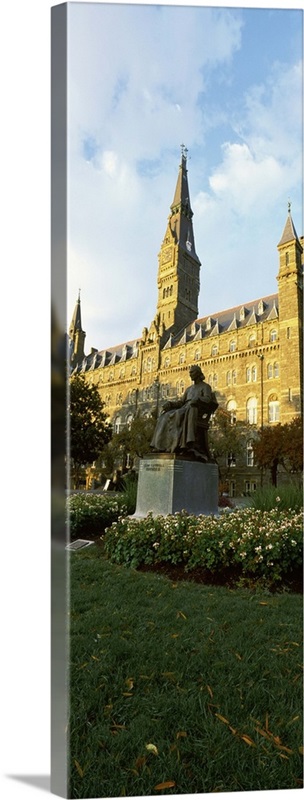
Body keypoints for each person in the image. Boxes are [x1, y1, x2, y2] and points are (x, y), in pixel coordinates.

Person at [150, 365, 218, 461]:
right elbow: (181, 402)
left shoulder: (205, 387)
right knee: (164, 416)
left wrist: (198, 399)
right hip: (184, 408)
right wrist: (170, 404)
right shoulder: (189, 389)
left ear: (198, 373)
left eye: (192, 372)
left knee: (180, 414)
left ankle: (183, 445)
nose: (190, 375)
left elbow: (208, 399)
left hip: (195, 410)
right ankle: (160, 446)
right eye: (189, 373)